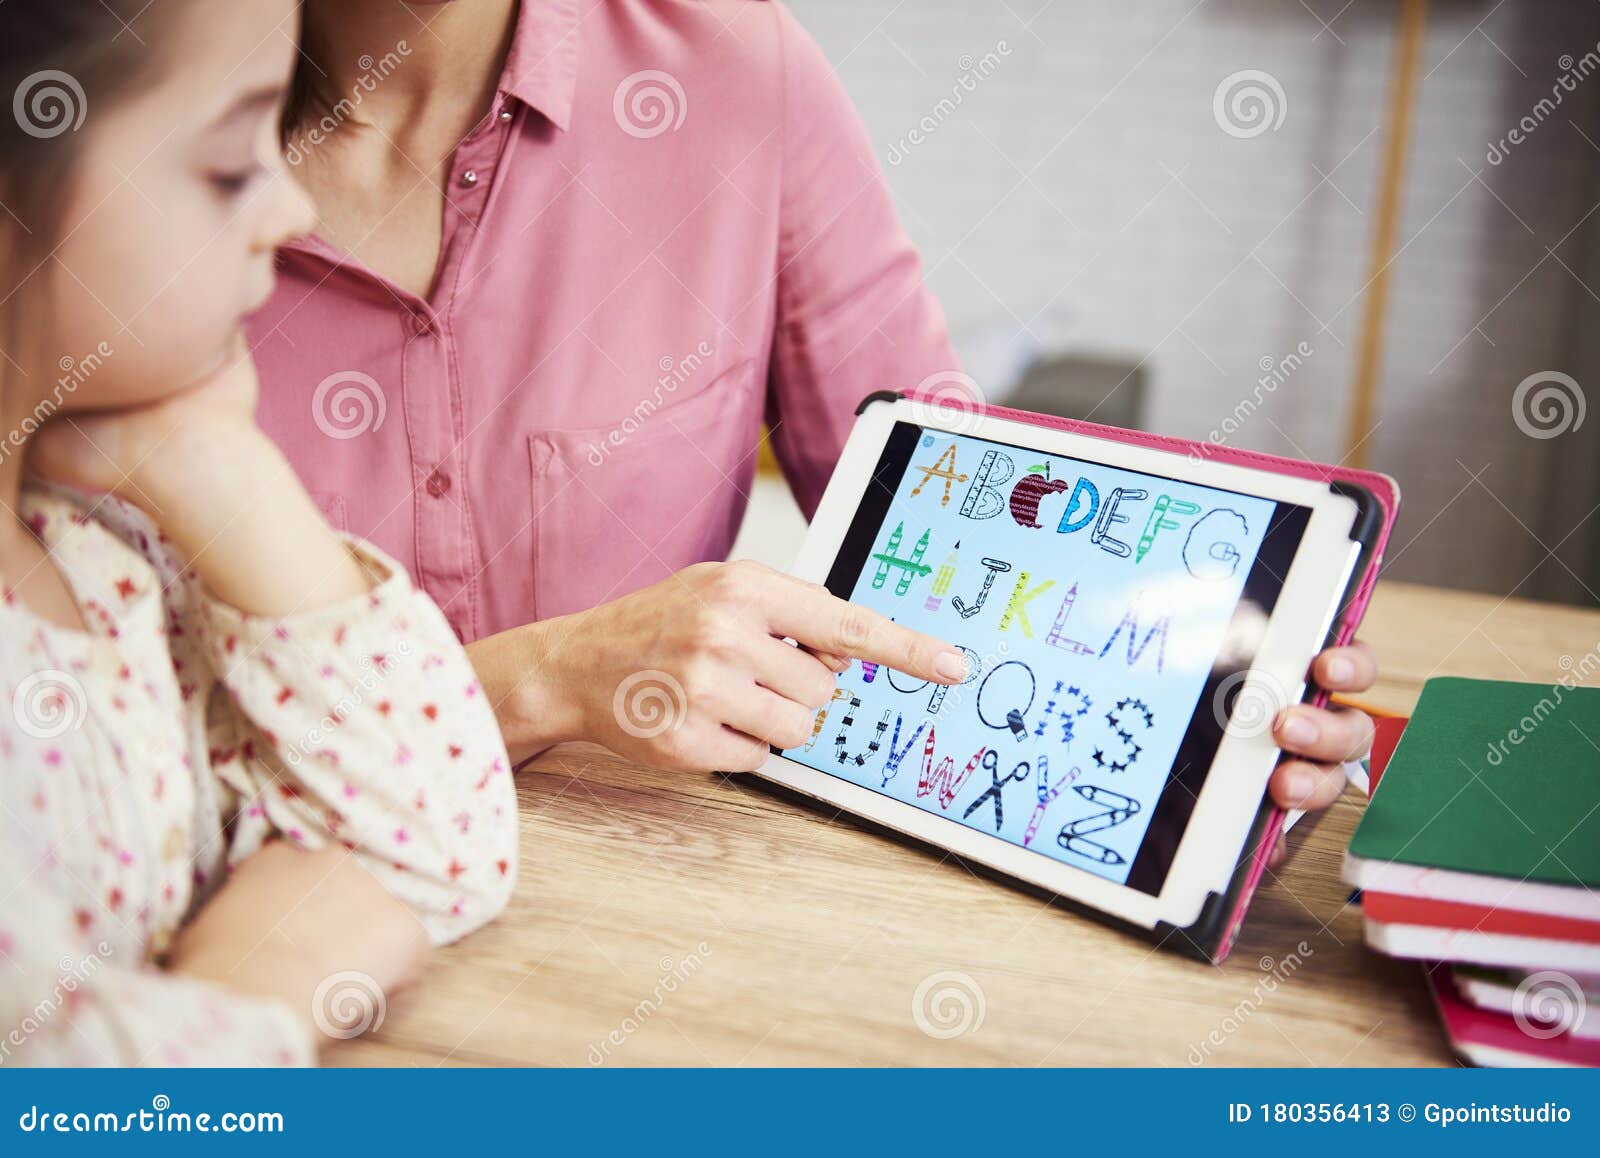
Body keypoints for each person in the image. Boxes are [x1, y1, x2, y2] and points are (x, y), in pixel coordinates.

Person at [258, 0, 1376, 861]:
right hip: (237, 891)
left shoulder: (738, 75)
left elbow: (965, 530)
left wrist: (1204, 696)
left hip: (643, 898)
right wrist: (540, 679)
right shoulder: (110, 130)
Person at [0, 0, 517, 1064]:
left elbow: (433, 844)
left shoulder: (102, 562)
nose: (292, 209)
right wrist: (257, 992)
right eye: (235, 160)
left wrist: (212, 465)